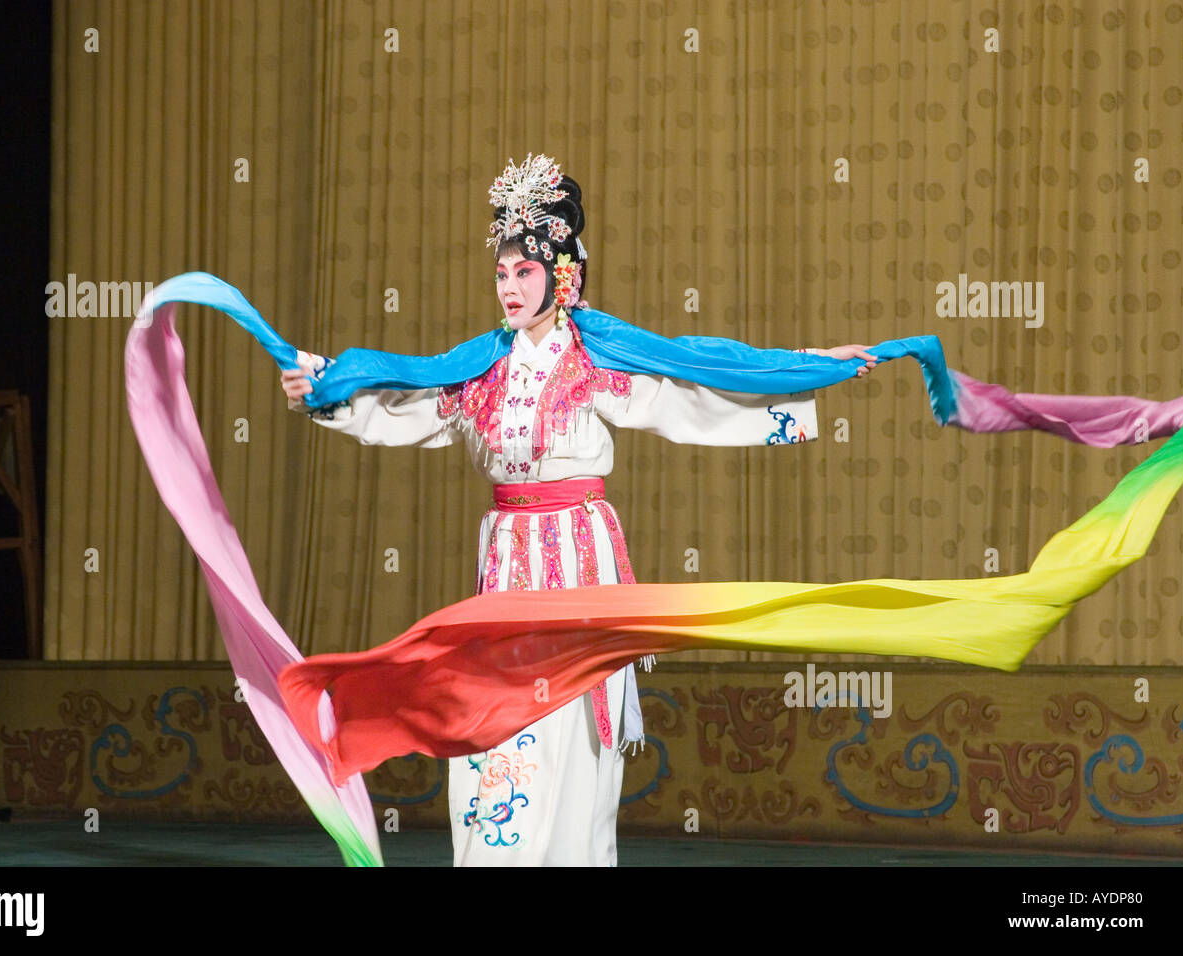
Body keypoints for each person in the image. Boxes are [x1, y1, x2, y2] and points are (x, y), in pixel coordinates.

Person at [279, 154, 878, 865]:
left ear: (563, 274)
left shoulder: (592, 359)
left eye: (524, 272)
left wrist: (805, 370)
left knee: (569, 735)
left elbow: (691, 396)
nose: (509, 286)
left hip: (579, 565)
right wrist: (331, 391)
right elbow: (410, 409)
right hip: (506, 570)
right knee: (497, 734)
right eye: (501, 273)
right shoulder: (480, 367)